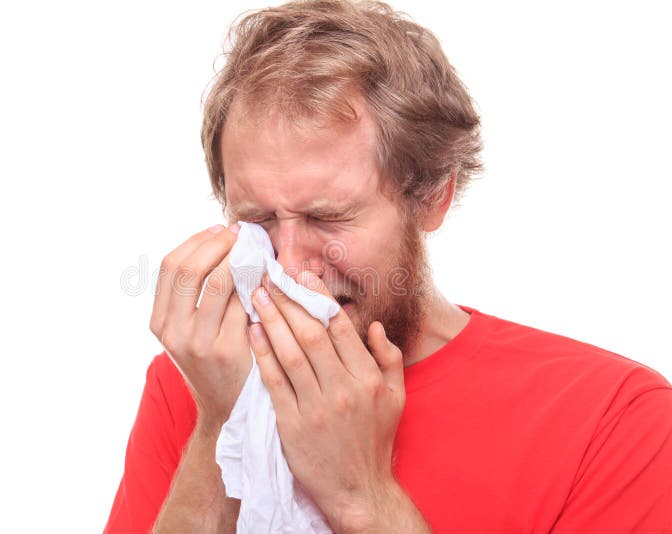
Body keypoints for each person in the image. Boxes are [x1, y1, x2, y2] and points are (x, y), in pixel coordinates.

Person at [104, 1, 672, 532]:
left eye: (329, 217)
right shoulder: (195, 383)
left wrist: (361, 495)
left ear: (432, 197)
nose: (292, 265)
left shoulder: (612, 417)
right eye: (259, 220)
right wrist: (221, 429)